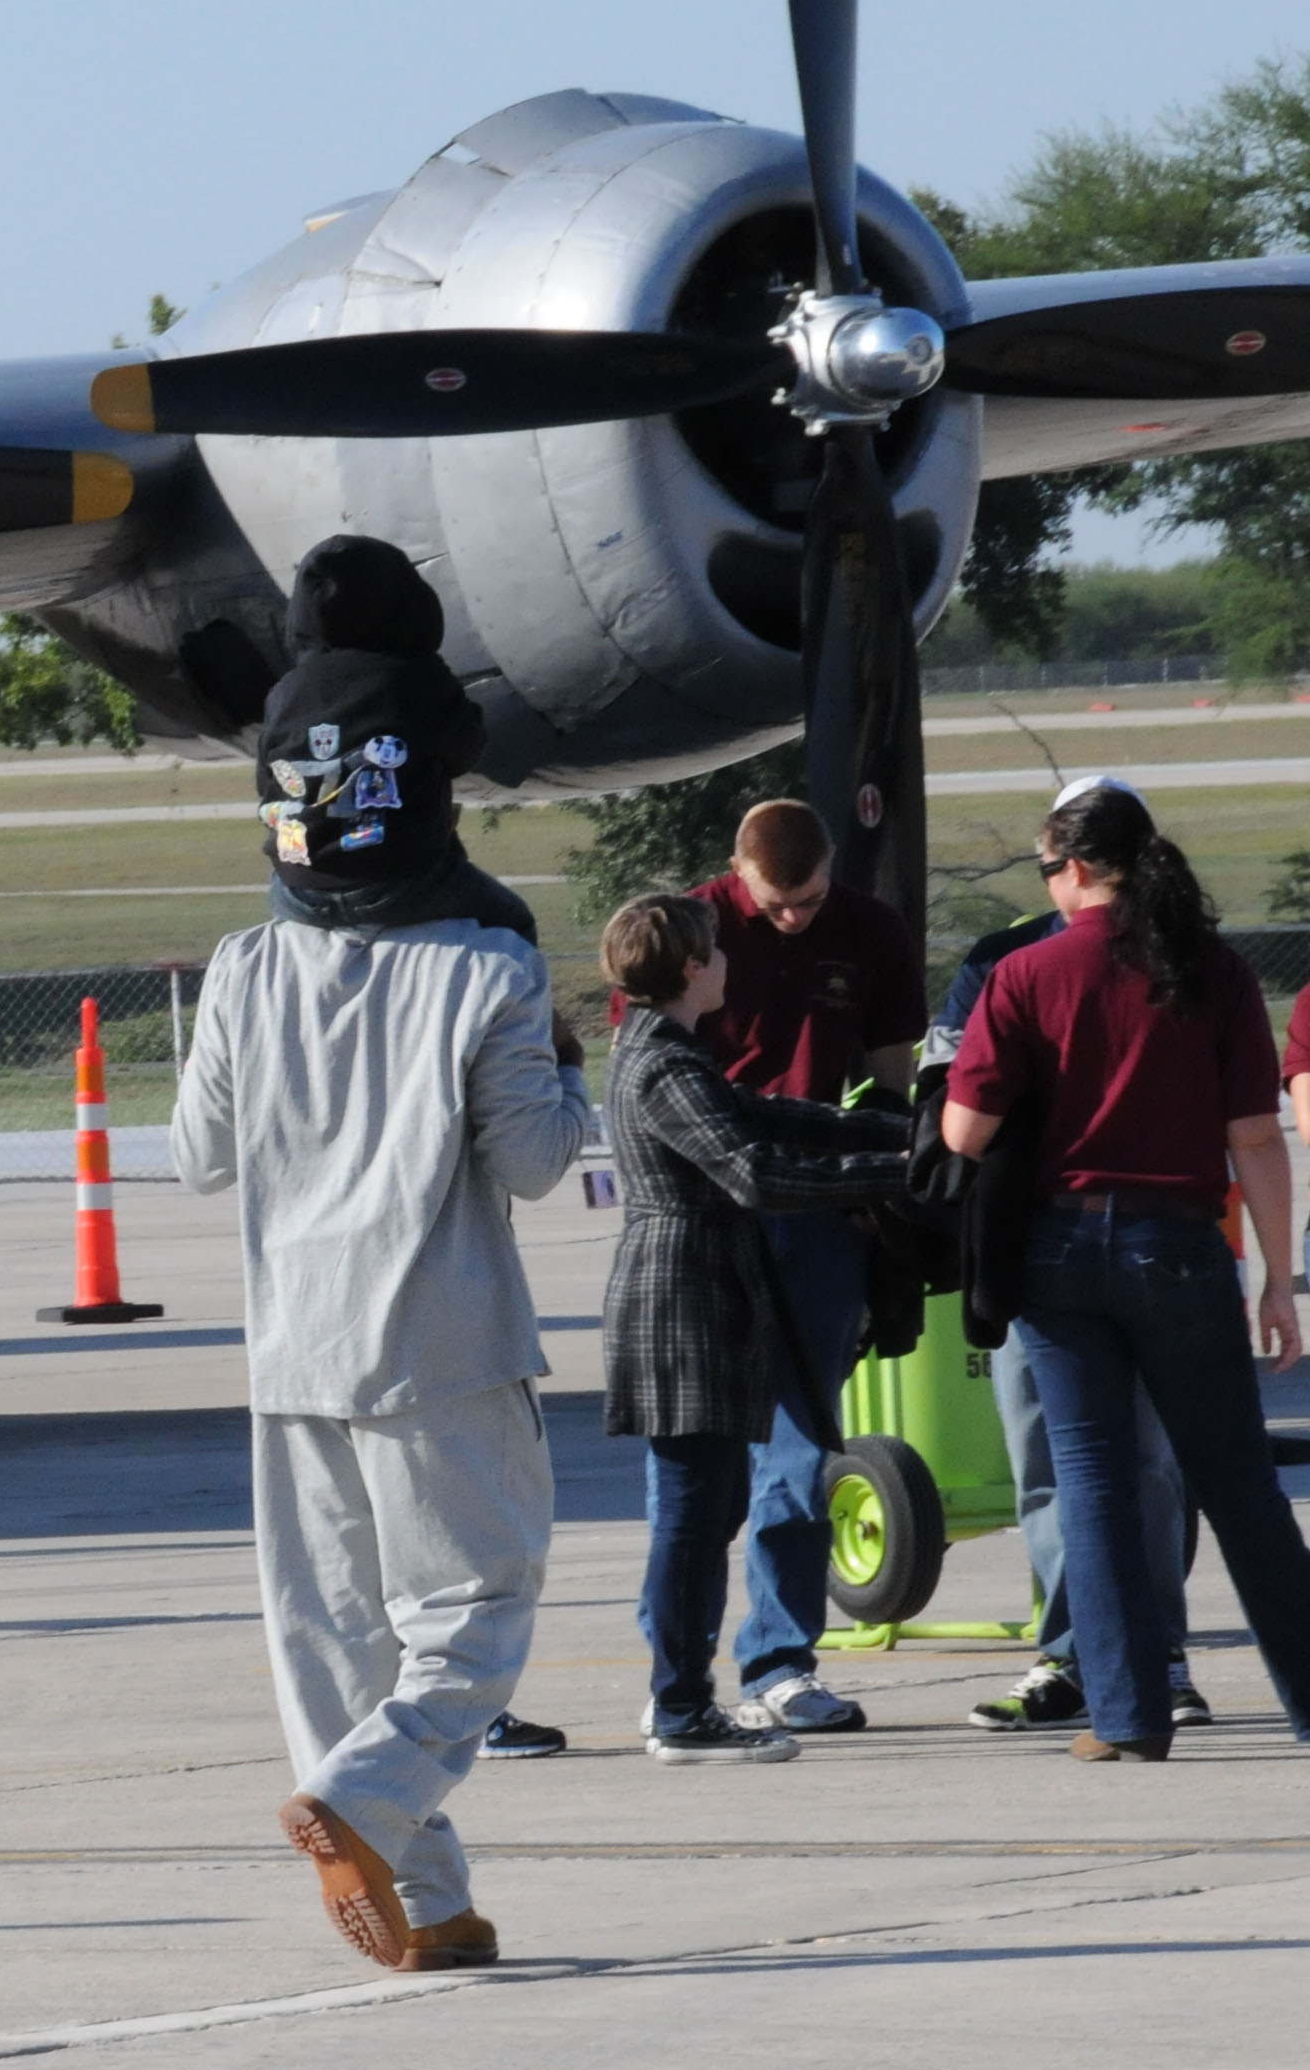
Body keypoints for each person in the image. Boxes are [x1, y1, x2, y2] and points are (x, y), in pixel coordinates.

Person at [174, 876, 594, 1970]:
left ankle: (428, 1902)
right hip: (438, 1339)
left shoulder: (244, 961)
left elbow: (198, 1152)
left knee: (329, 1637)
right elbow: (535, 1161)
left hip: (293, 1346)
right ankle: (361, 1796)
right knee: (475, 1609)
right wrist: (567, 1065)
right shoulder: (488, 960)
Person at [942, 784, 1310, 1758]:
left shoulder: (1022, 975)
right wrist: (1278, 1275)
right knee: (1236, 1484)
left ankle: (1125, 1716)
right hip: (1180, 1246)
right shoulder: (1211, 969)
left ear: (1072, 868)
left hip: (1055, 1254)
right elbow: (1255, 1139)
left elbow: (962, 1129)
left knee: (1092, 1484)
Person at [596, 893, 913, 1761]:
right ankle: (680, 1708)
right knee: (694, 1515)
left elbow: (771, 1116)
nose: (729, 961)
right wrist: (882, 1177)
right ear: (692, 968)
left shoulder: (670, 1053)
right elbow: (751, 1169)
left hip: (700, 1293)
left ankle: (684, 1699)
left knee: (711, 1505)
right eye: (717, 951)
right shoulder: (664, 1063)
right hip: (682, 1298)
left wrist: (893, 1137)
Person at [928, 776, 1201, 1732]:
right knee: (1047, 1459)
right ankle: (1073, 1656)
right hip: (1036, 1241)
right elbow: (942, 1071)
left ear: (1077, 863)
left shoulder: (1181, 958)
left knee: (1146, 1462)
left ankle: (1157, 1655)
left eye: (1050, 864)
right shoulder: (1003, 958)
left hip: (1120, 1238)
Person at [680, 795, 924, 1735]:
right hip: (713, 1214)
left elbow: (893, 1065)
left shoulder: (868, 930)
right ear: (737, 875)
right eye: (777, 904)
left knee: (800, 1445)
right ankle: (679, 1680)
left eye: (810, 898)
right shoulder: (690, 927)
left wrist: (884, 1180)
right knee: (699, 1463)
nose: (796, 916)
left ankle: (779, 1661)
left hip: (819, 1212)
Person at [250, 535, 542, 944]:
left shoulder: (285, 691)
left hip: (299, 889)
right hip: (400, 884)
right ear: (406, 601)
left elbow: (269, 782)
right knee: (513, 923)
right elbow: (465, 751)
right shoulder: (417, 677)